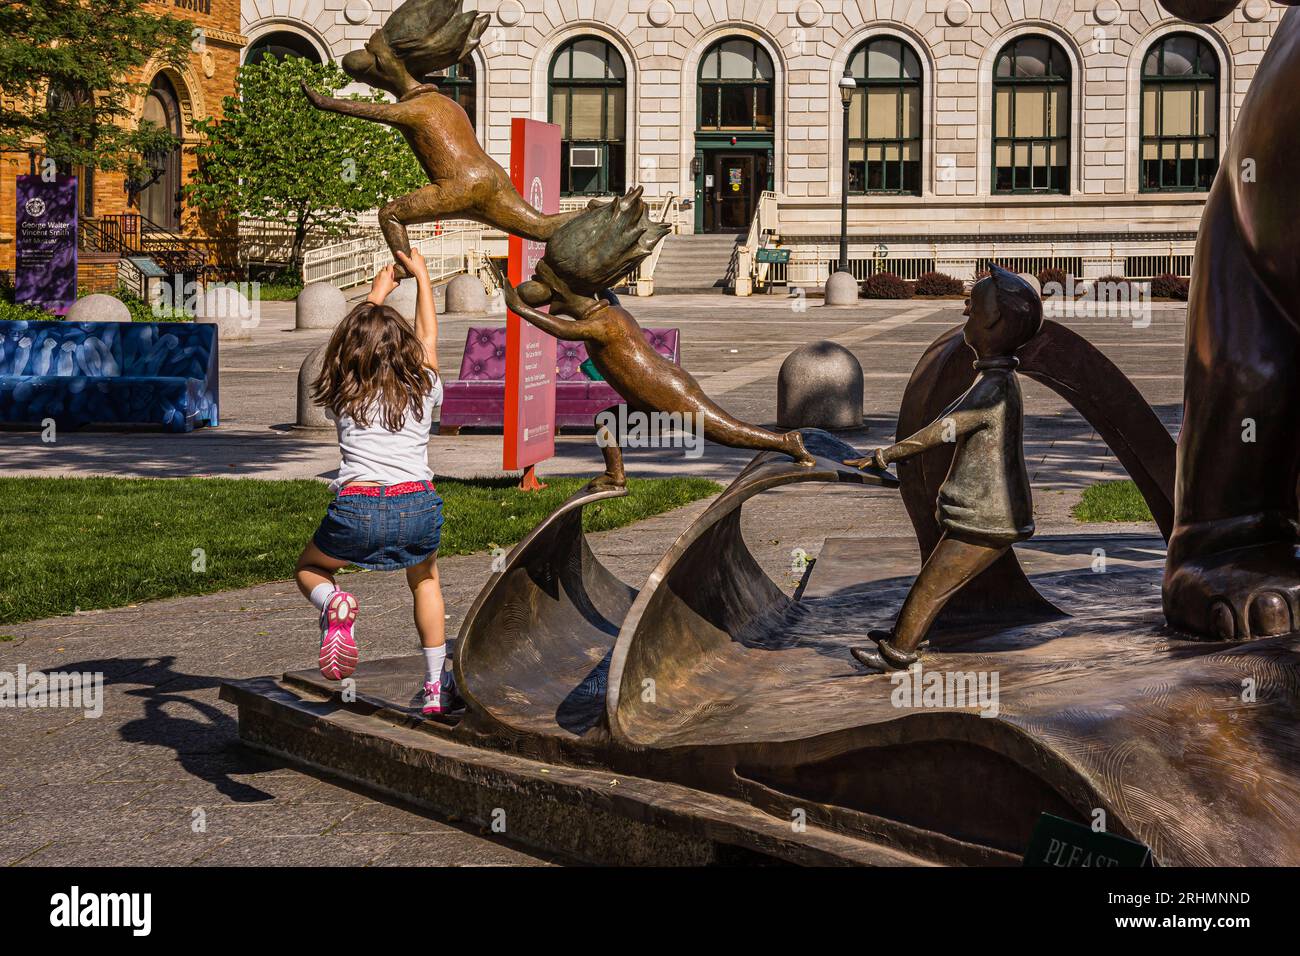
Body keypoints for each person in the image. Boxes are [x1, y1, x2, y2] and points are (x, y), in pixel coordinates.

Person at [844, 265, 1043, 671]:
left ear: (994, 323)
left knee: (932, 584)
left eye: (972, 310)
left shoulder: (995, 388)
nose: (964, 314)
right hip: (984, 513)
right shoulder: (993, 383)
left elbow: (941, 430)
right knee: (939, 582)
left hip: (987, 517)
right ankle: (908, 633)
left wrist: (885, 455)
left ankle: (900, 651)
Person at [294, 249, 453, 716]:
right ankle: (434, 689)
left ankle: (334, 601)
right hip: (418, 504)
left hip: (358, 506)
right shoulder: (424, 384)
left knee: (310, 569)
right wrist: (423, 277)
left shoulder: (345, 390)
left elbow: (349, 346)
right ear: (405, 348)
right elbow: (428, 336)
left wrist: (376, 295)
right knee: (425, 582)